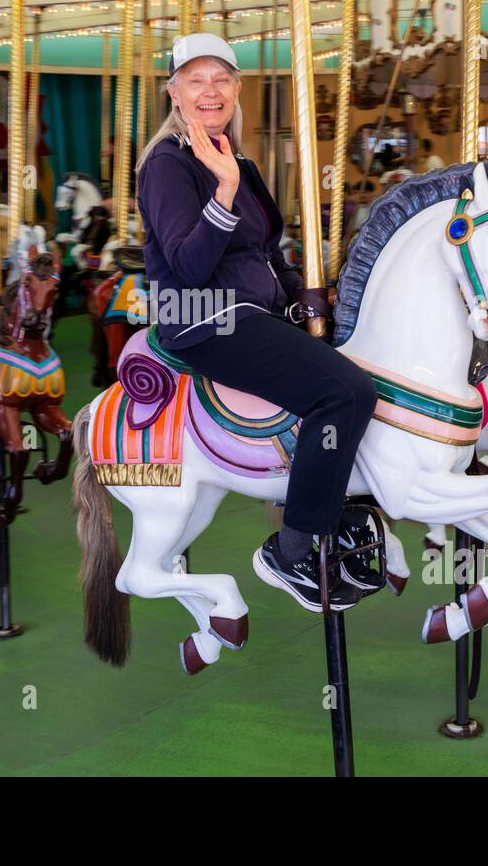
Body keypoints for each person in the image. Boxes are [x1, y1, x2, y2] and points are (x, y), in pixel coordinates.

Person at [135, 32, 378, 613]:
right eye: (196, 80)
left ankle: (343, 508)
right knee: (346, 391)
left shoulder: (238, 160)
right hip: (202, 318)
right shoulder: (168, 165)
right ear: (175, 93)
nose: (210, 90)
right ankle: (291, 550)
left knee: (370, 364)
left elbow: (268, 250)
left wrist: (302, 298)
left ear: (238, 89)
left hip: (257, 311)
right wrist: (222, 192)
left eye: (221, 79)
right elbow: (189, 267)